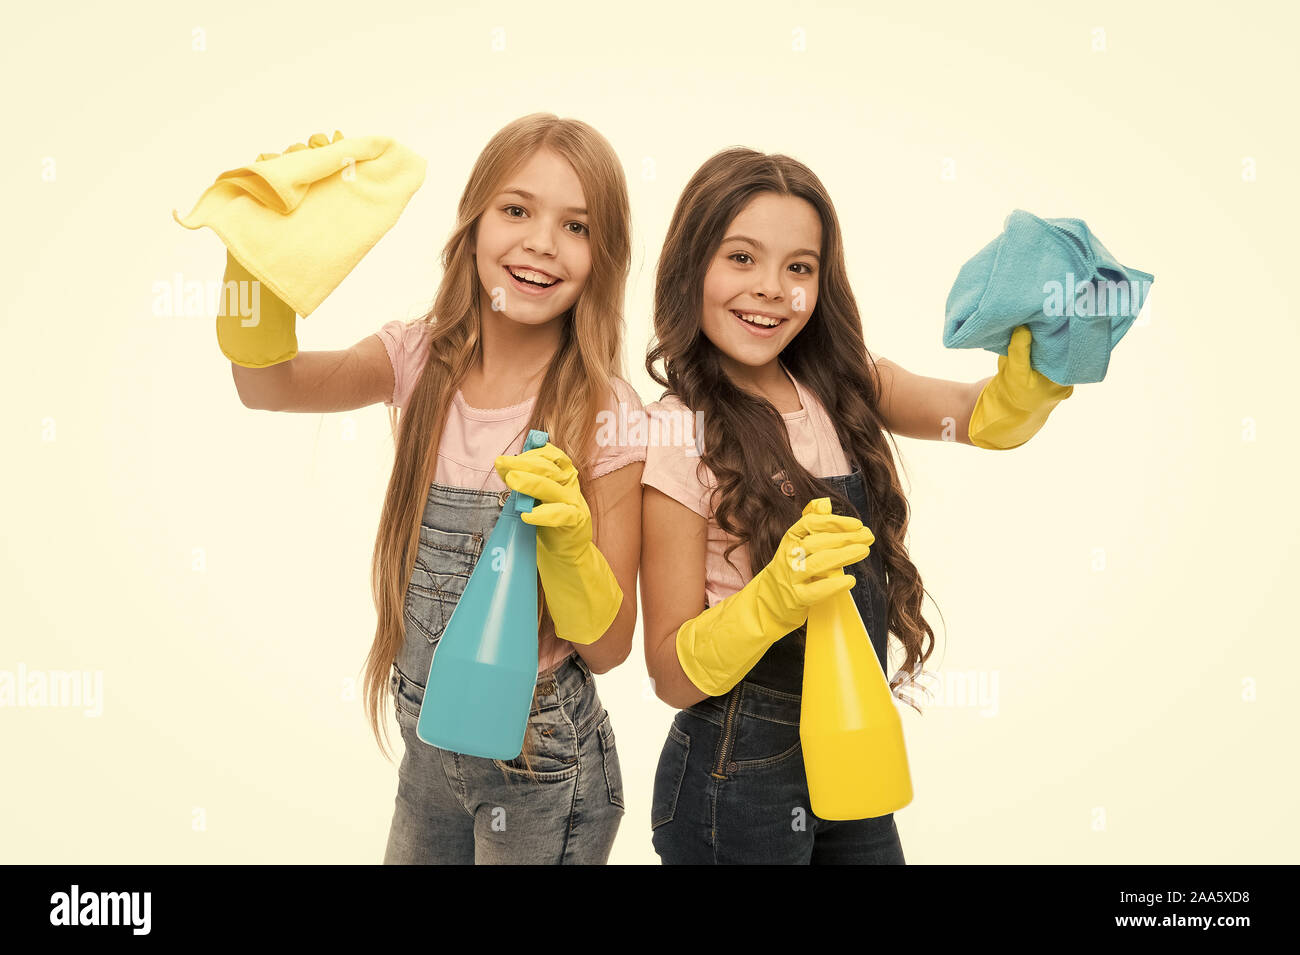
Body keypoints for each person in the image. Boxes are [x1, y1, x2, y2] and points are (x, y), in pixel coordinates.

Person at [229, 114, 644, 864]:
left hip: (543, 762)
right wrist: (256, 258)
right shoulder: (417, 360)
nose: (541, 242)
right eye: (516, 210)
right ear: (473, 223)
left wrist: (572, 543)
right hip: (431, 745)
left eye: (576, 225)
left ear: (601, 255)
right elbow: (267, 386)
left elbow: (610, 647)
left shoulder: (606, 410)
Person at [638, 148, 1069, 864]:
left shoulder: (846, 387)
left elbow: (978, 417)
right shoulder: (678, 431)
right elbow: (670, 672)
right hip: (736, 771)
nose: (772, 289)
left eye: (799, 267)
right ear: (692, 266)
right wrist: (769, 600)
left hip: (852, 742)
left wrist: (1039, 367)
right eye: (741, 258)